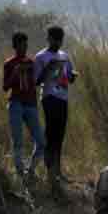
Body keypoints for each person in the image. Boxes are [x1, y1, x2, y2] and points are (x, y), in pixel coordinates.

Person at [34, 25, 77, 198]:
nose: (58, 43)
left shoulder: (64, 56)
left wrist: (72, 76)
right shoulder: (41, 57)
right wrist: (48, 69)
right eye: (55, 39)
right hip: (49, 96)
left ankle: (57, 171)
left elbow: (69, 75)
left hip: (62, 97)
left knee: (60, 133)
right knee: (51, 132)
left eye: (61, 39)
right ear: (49, 38)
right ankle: (49, 171)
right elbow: (37, 81)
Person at [2, 32, 44, 179]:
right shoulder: (9, 63)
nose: (24, 47)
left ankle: (31, 170)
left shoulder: (32, 63)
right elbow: (5, 87)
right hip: (16, 104)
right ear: (15, 46)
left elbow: (37, 82)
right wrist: (15, 73)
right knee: (18, 140)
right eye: (21, 44)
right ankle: (20, 172)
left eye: (26, 44)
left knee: (41, 142)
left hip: (31, 104)